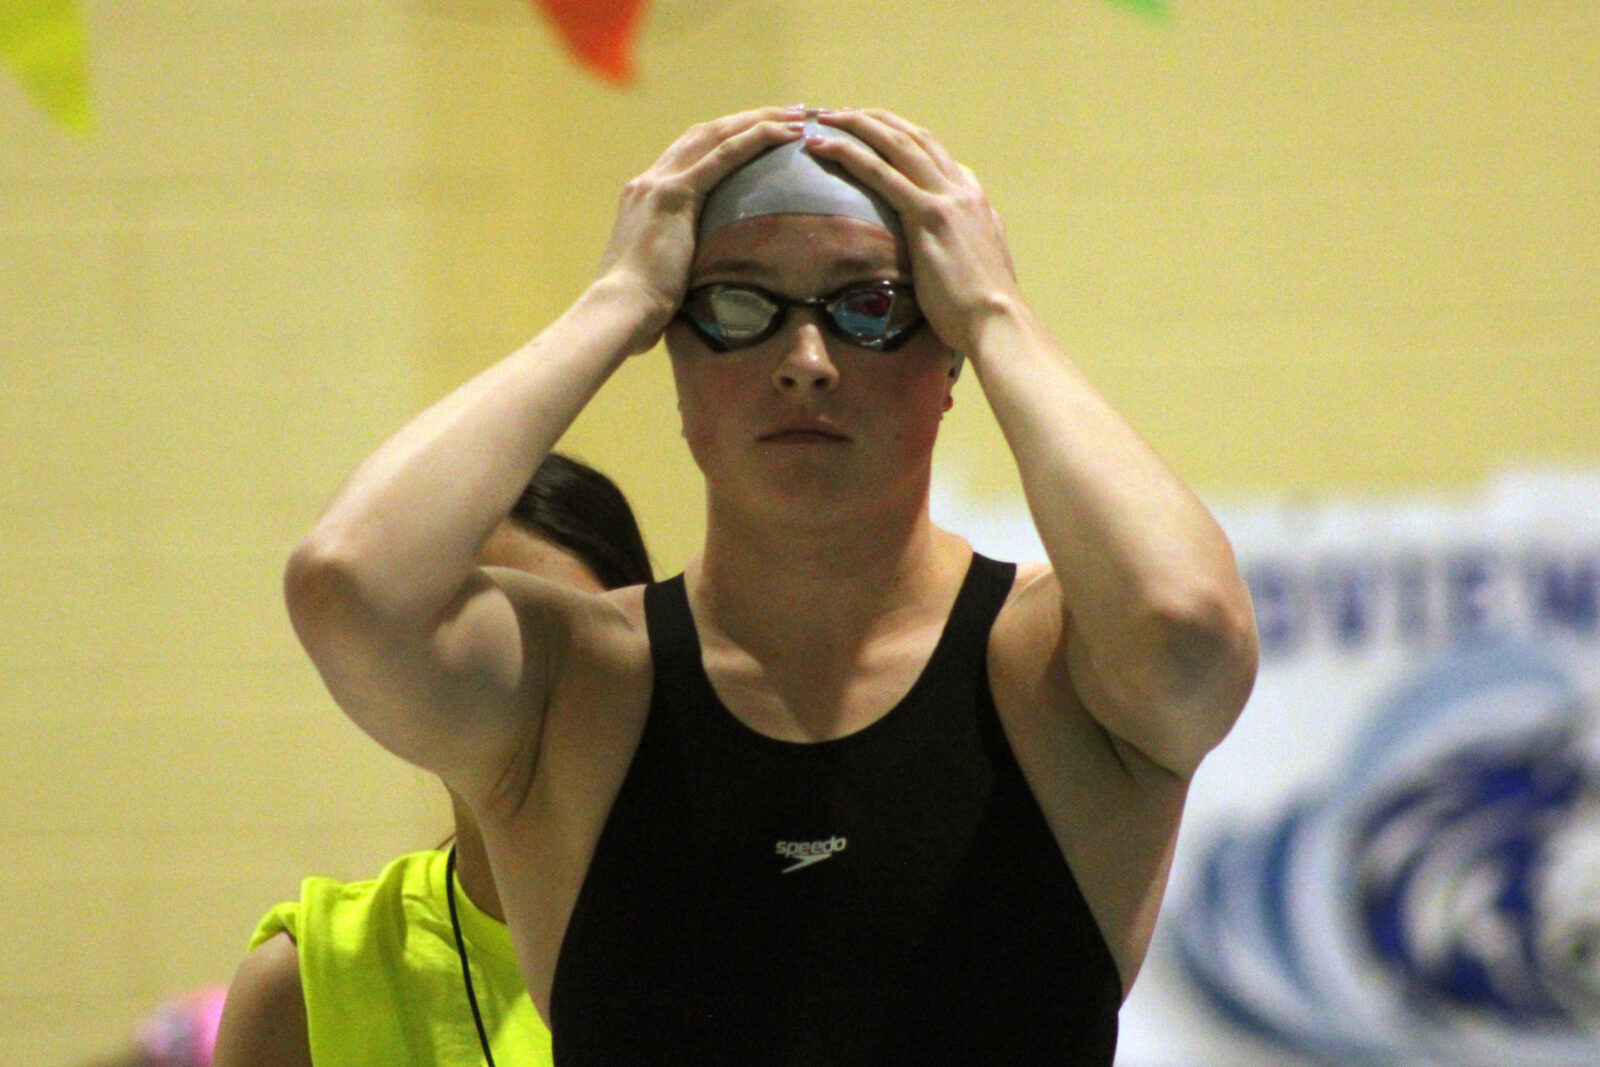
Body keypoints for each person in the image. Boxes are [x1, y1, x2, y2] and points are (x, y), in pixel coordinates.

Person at [282, 106, 1260, 1064]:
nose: (804, 361)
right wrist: (614, 299)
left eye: (870, 307)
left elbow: (1188, 627)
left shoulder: (1048, 669)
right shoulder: (581, 688)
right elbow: (348, 587)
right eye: (736, 305)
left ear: (949, 354)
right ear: (675, 351)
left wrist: (1003, 312)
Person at [212, 454, 653, 1067]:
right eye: (478, 642)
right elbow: (333, 572)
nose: (519, 687)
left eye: (560, 636)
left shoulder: (754, 930)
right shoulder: (314, 979)